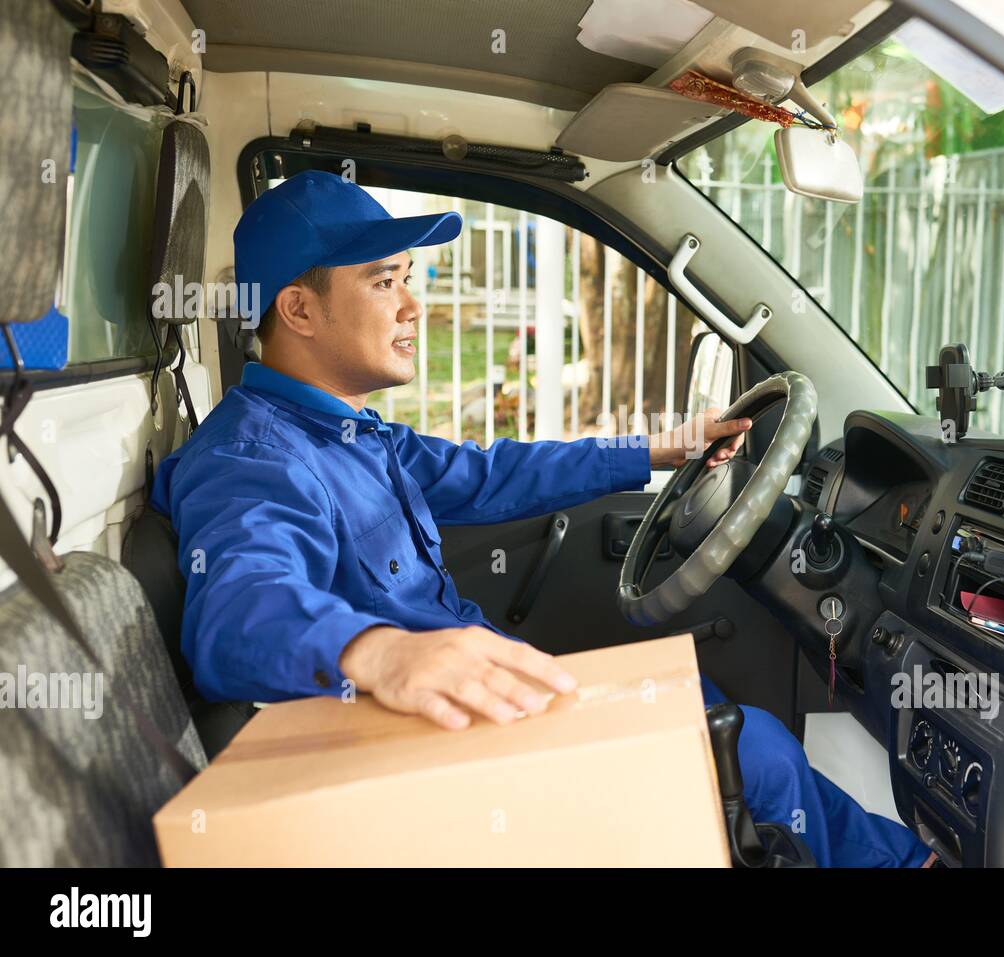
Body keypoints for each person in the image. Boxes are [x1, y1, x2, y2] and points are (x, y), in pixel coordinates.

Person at [151, 170, 932, 868]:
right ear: (298, 307)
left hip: (485, 714)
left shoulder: (357, 434)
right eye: (386, 282)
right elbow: (235, 611)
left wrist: (659, 448)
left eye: (409, 279)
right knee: (751, 745)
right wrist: (379, 652)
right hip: (434, 759)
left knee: (716, 714)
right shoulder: (252, 460)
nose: (415, 306)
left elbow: (494, 476)